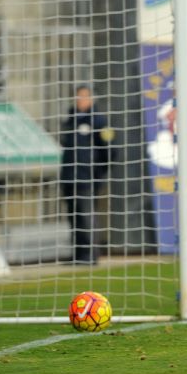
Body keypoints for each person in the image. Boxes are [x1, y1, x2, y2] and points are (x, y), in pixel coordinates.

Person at [59, 85, 113, 265]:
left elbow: (110, 151)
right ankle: (78, 254)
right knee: (73, 216)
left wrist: (97, 172)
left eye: (84, 97)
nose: (80, 100)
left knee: (86, 215)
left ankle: (91, 255)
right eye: (78, 97)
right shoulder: (70, 119)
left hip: (87, 177)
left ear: (91, 99)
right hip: (69, 176)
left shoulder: (99, 121)